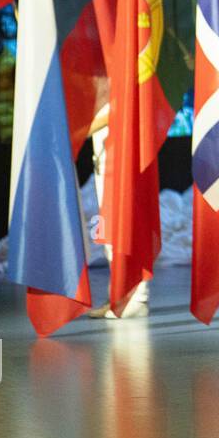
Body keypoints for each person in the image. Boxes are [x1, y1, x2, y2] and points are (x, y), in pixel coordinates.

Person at [87, 102, 150, 318]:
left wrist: (81, 130)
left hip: (121, 160)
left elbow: (118, 109)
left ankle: (137, 295)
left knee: (125, 228)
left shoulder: (121, 74)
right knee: (110, 234)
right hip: (103, 161)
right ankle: (118, 294)